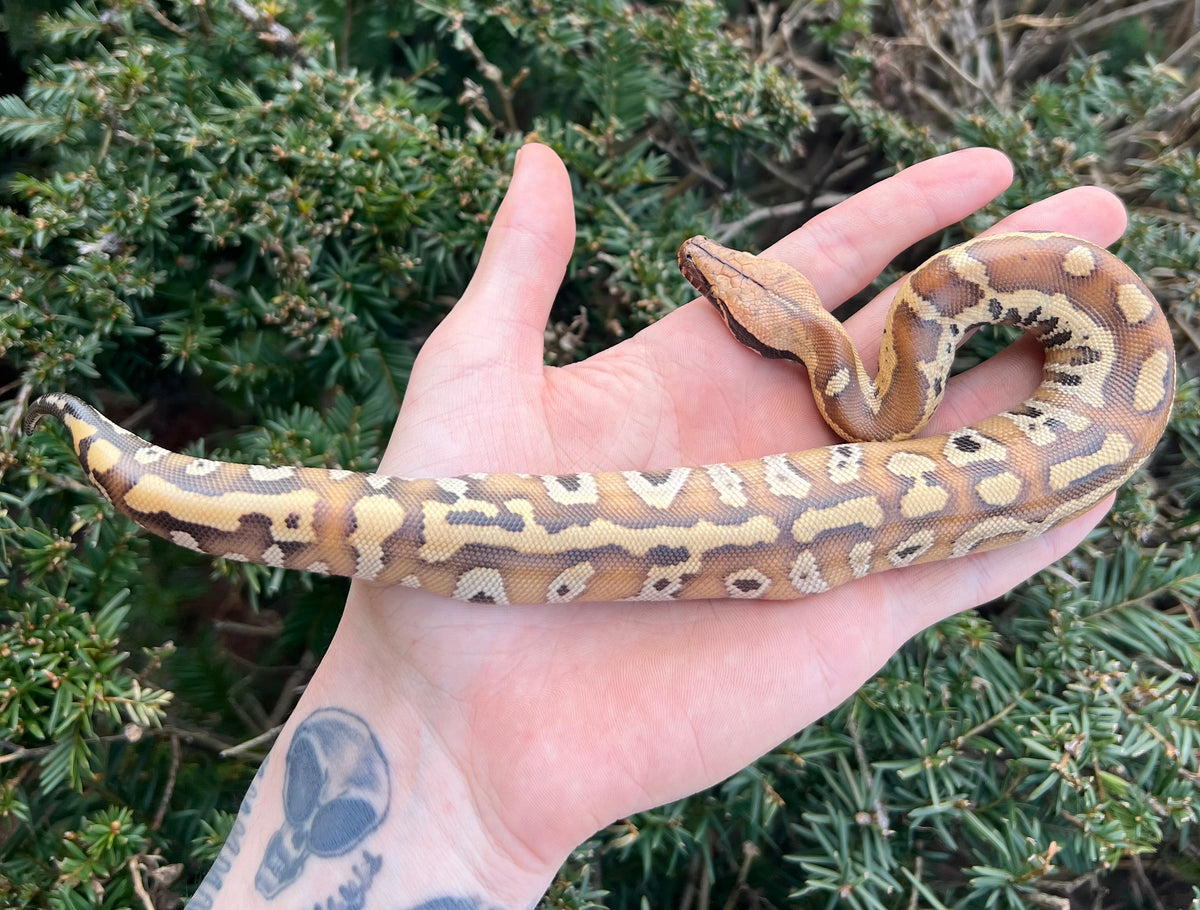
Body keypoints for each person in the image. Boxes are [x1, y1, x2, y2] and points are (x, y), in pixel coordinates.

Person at [189, 144, 1127, 909]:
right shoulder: (878, 363)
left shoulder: (876, 392)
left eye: (719, 296)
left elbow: (873, 419)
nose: (704, 274)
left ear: (777, 341)